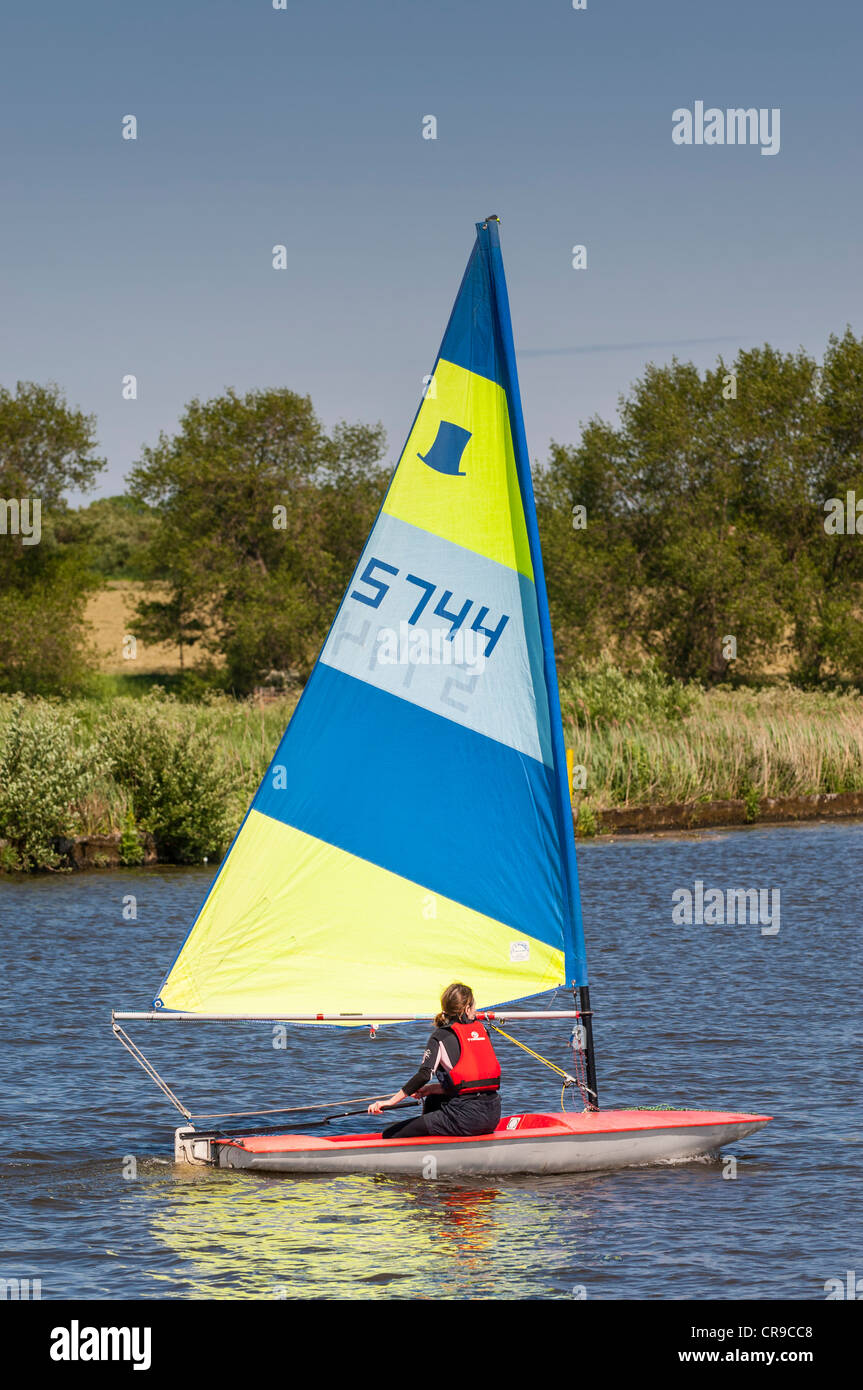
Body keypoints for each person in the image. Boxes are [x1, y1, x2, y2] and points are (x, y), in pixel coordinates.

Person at [368, 982, 501, 1139]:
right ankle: (437, 1144)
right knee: (434, 1099)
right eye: (474, 1007)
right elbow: (472, 1084)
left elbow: (424, 1075)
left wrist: (391, 1101)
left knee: (390, 1134)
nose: (475, 1011)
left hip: (466, 1119)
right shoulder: (483, 1031)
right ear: (466, 1009)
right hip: (493, 1114)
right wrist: (431, 1089)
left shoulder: (440, 1036)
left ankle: (429, 1152)